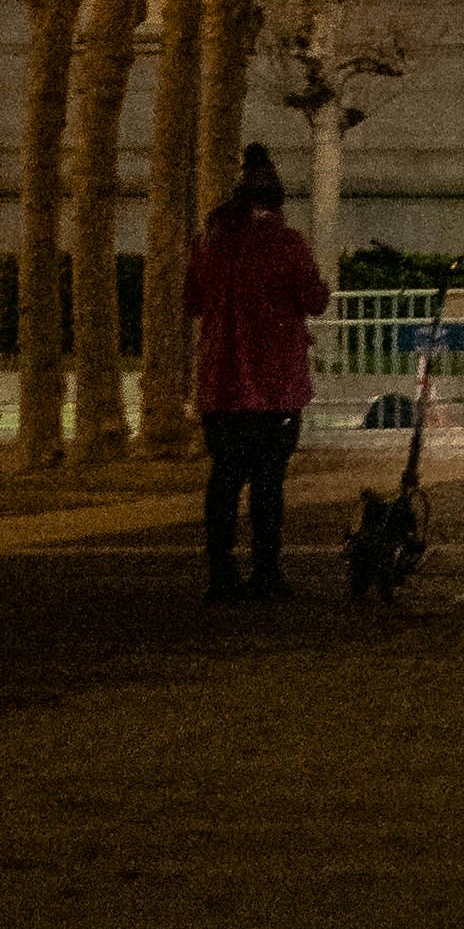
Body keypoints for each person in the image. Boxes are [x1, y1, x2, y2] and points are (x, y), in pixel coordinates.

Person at [186, 138, 329, 601]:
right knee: (269, 481)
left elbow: (191, 300)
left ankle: (221, 574)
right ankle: (266, 571)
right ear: (277, 199)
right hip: (275, 384)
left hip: (220, 384)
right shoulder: (287, 244)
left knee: (225, 478)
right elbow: (315, 299)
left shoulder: (211, 242)